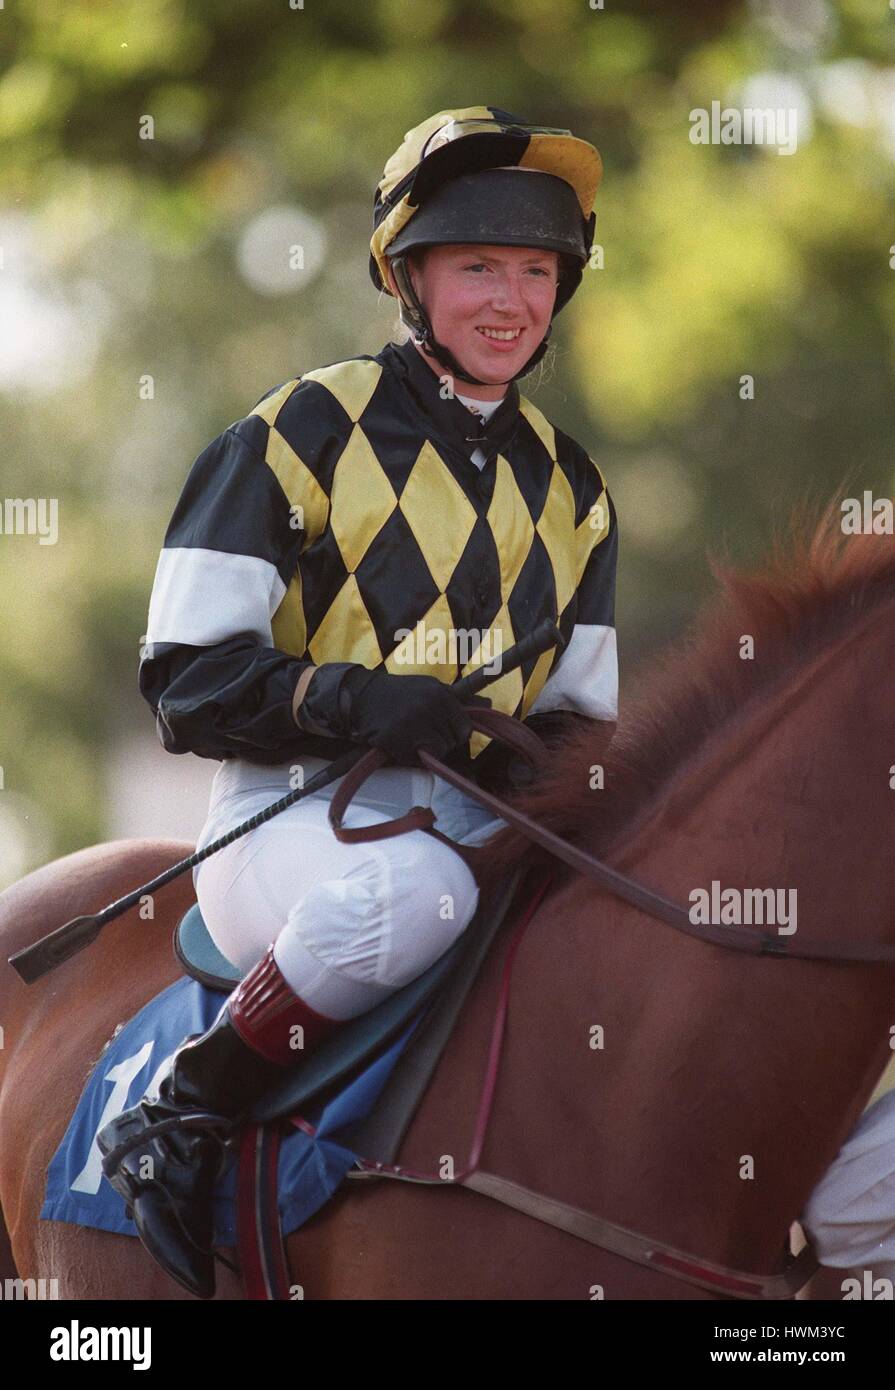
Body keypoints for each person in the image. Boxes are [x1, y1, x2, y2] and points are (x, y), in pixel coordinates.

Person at [97, 106, 619, 1298]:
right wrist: (350, 699)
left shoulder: (576, 486)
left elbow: (585, 721)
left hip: (480, 825)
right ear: (409, 275)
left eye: (535, 272)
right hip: (284, 817)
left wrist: (553, 767)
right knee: (427, 893)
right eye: (478, 265)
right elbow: (184, 677)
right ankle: (178, 1116)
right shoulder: (294, 433)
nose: (509, 299)